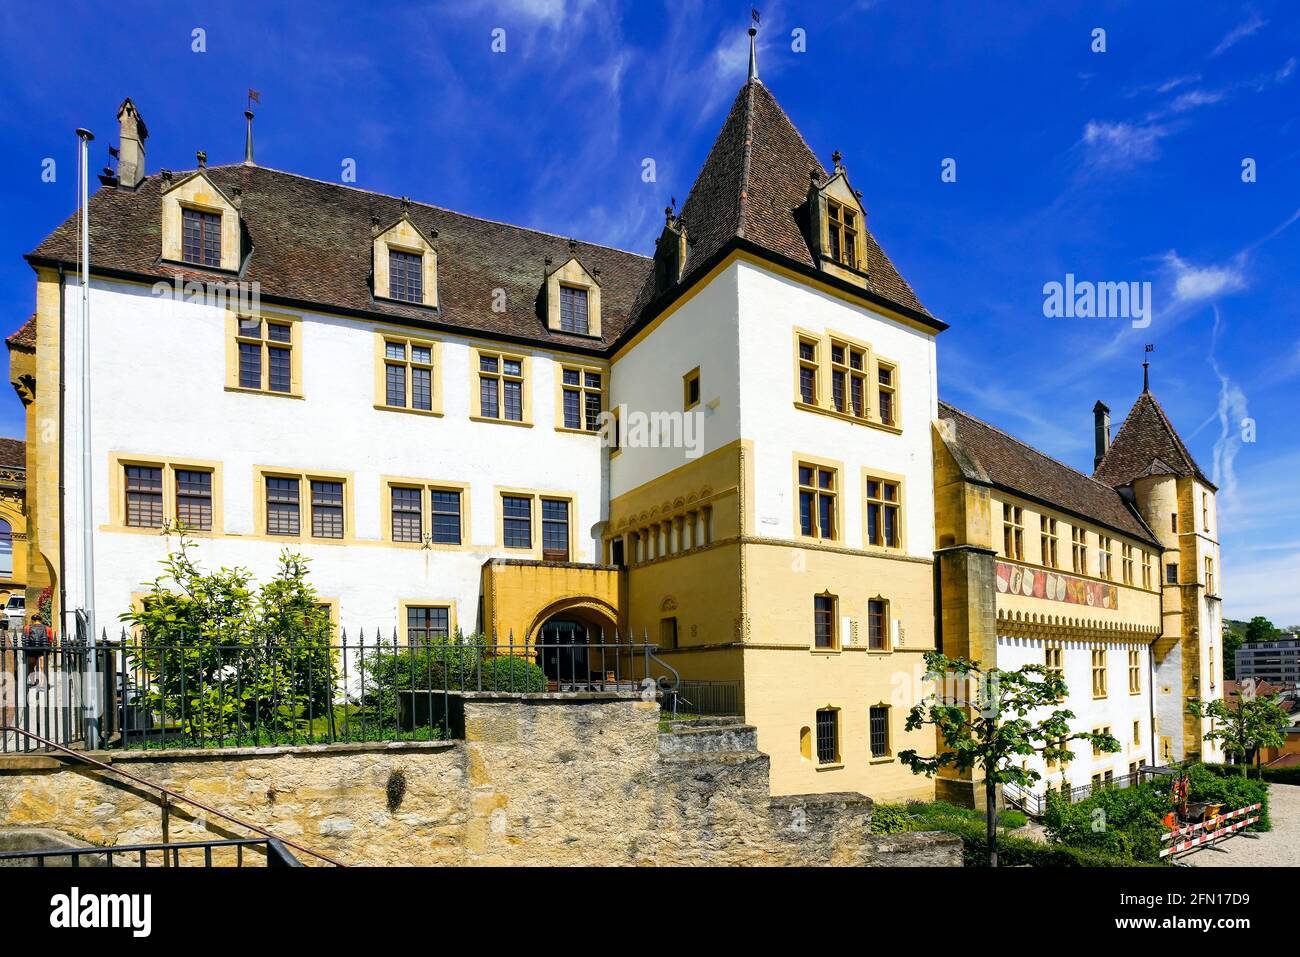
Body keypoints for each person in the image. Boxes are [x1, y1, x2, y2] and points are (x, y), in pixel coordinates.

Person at [23, 614, 51, 688]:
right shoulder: (47, 628)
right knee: (43, 666)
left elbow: (25, 638)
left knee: (31, 665)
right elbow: (50, 639)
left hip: (32, 649)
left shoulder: (27, 627)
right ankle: (42, 683)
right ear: (40, 620)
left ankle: (32, 682)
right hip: (43, 649)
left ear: (32, 620)